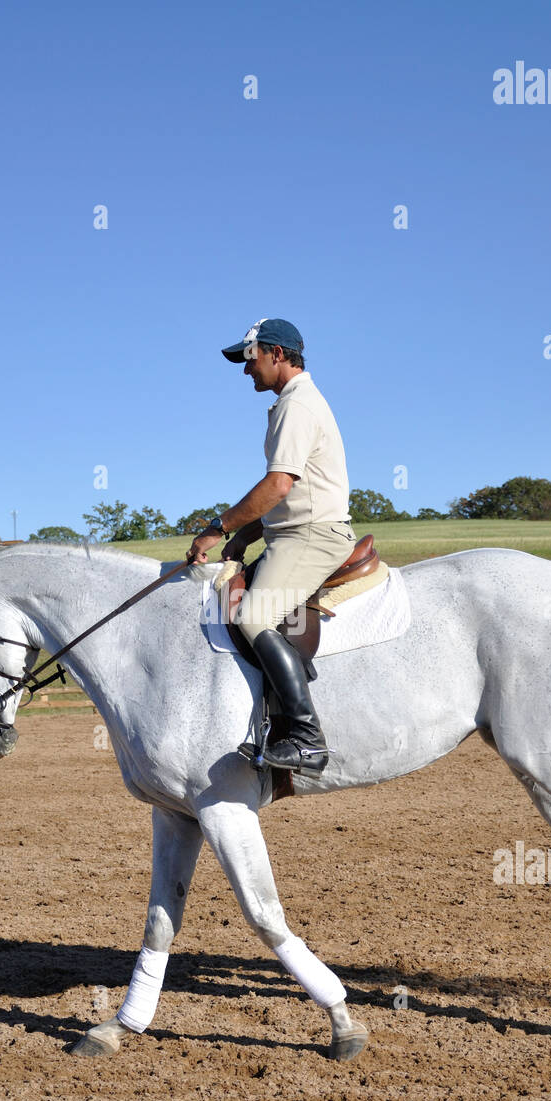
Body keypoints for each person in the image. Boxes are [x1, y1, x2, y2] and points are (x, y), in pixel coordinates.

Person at [186, 317, 356, 777]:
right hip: (291, 533)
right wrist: (245, 535)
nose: (246, 371)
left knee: (252, 616)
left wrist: (218, 528)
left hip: (312, 536)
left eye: (249, 358)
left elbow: (280, 484)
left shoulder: (296, 406)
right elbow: (287, 494)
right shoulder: (293, 402)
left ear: (276, 353)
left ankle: (306, 740)